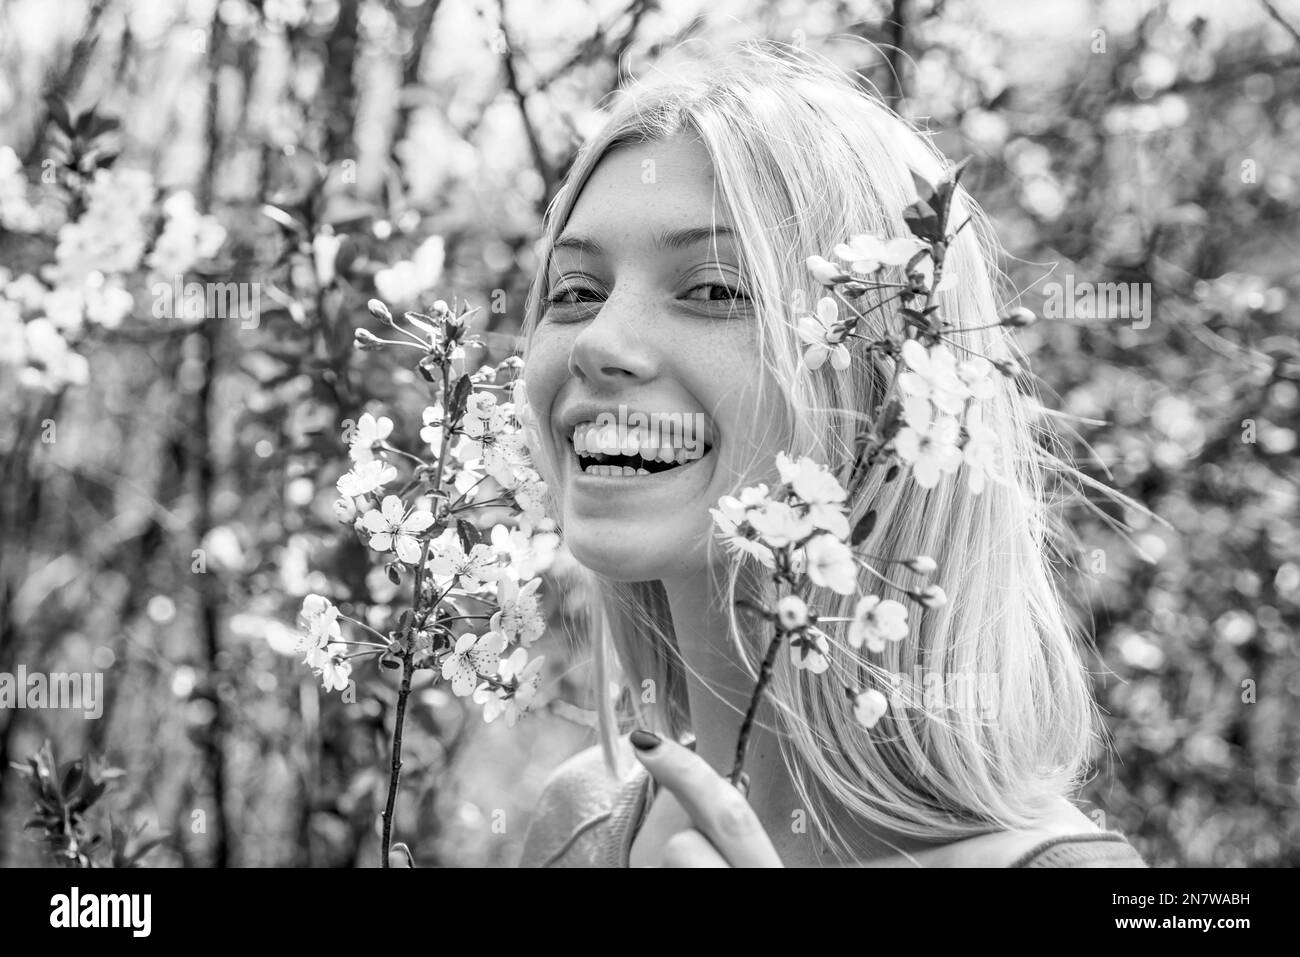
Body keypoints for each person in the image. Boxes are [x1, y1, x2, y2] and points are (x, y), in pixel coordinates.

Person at [514, 39, 1146, 867]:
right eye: (575, 292)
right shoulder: (581, 823)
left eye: (715, 289)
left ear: (889, 383)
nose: (598, 342)